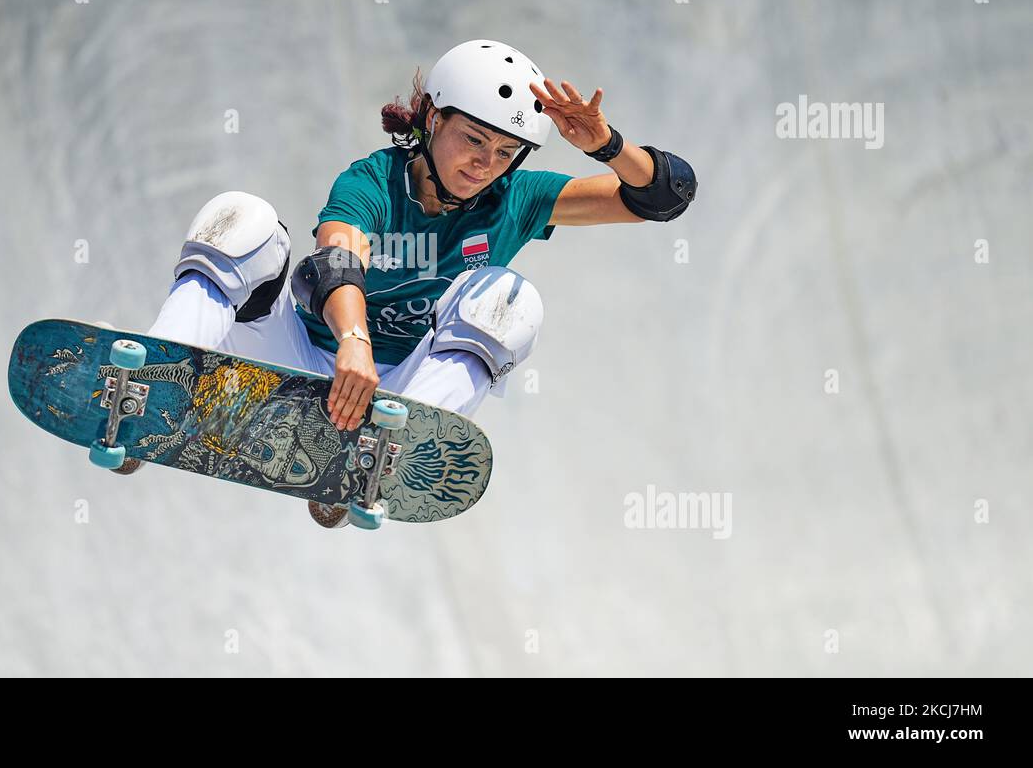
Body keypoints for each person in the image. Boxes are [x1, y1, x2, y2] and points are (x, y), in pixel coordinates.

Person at [145, 39, 697, 526]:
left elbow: (663, 197)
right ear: (432, 117)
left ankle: (378, 451)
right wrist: (353, 341)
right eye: (473, 140)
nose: (485, 164)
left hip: (396, 394)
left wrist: (607, 146)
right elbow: (334, 259)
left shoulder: (518, 199)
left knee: (509, 299)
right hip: (298, 356)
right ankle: (156, 374)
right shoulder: (374, 181)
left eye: (505, 153)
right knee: (243, 218)